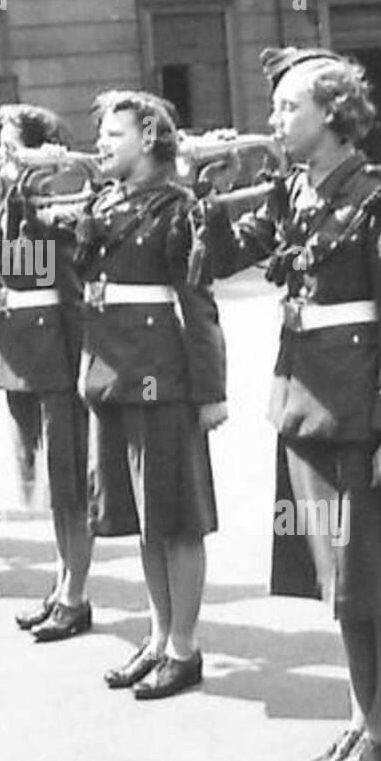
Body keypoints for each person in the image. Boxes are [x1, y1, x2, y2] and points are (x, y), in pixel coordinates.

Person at [206, 46, 381, 761]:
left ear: (332, 114)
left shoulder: (380, 196)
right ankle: (363, 717)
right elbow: (208, 261)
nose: (274, 120)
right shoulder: (290, 193)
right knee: (342, 580)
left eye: (287, 108)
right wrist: (205, 194)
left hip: (365, 417)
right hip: (305, 408)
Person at [76, 91, 228, 697]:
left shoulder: (178, 209)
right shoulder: (105, 203)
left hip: (162, 379)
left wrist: (211, 393)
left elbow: (199, 304)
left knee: (177, 519)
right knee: (144, 517)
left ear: (148, 139)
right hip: (113, 374)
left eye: (115, 136)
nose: (102, 146)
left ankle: (185, 648)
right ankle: (159, 634)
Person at [0, 103, 94, 641]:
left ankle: (76, 594)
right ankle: (61, 583)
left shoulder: (59, 196)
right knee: (49, 482)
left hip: (55, 352)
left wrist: (21, 198)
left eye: (9, 143)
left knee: (69, 483)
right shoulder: (4, 199)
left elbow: (58, 277)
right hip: (20, 351)